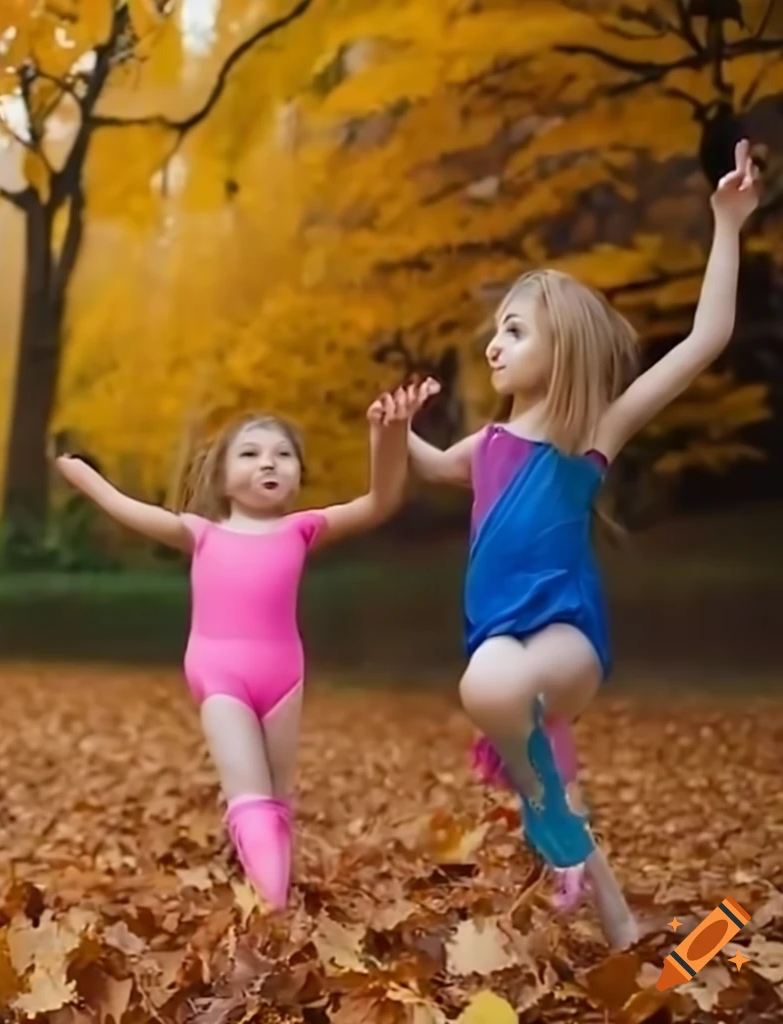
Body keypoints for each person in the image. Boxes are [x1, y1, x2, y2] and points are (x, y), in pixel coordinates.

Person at [407, 140, 760, 948]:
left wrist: (729, 224)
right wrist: (391, 431)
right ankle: (615, 914)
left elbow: (706, 338)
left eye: (515, 330)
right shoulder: (487, 442)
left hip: (566, 637)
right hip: (499, 644)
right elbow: (423, 467)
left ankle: (558, 827)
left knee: (498, 695)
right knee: (492, 693)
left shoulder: (591, 432)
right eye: (494, 331)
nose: (494, 345)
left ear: (561, 345)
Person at [55, 386, 425, 908]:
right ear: (222, 475)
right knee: (249, 795)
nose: (267, 463)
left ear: (298, 473)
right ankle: (273, 909)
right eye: (250, 454)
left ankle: (272, 886)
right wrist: (84, 477)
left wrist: (387, 436)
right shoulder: (201, 533)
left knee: (275, 795)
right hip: (218, 672)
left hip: (285, 674)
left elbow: (380, 500)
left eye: (282, 454)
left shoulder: (303, 529)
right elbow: (127, 508)